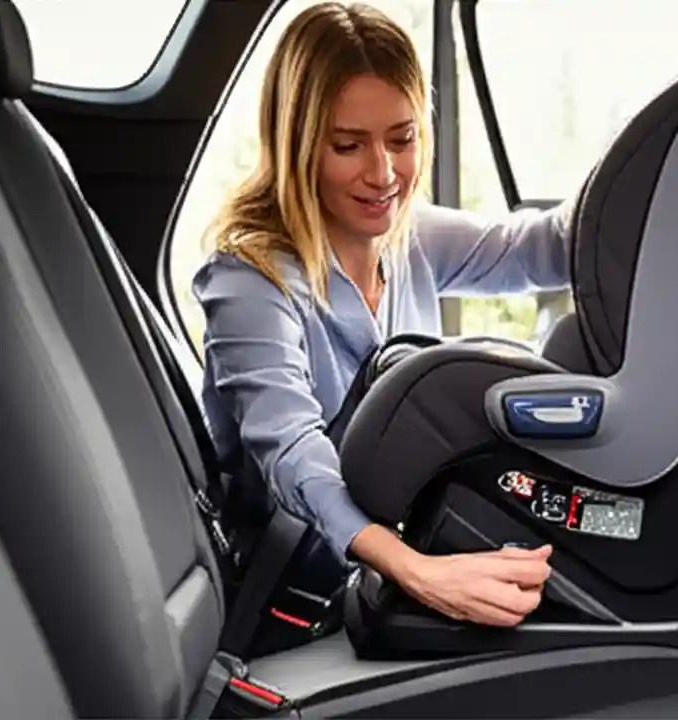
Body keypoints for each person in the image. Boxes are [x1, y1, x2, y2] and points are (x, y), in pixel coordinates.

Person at [192, 1, 575, 628]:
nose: (383, 173)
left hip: (396, 570)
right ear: (298, 145)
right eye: (348, 145)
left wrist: (659, 156)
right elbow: (290, 449)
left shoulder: (412, 238)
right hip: (305, 608)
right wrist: (416, 572)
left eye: (403, 139)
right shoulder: (248, 281)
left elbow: (542, 248)